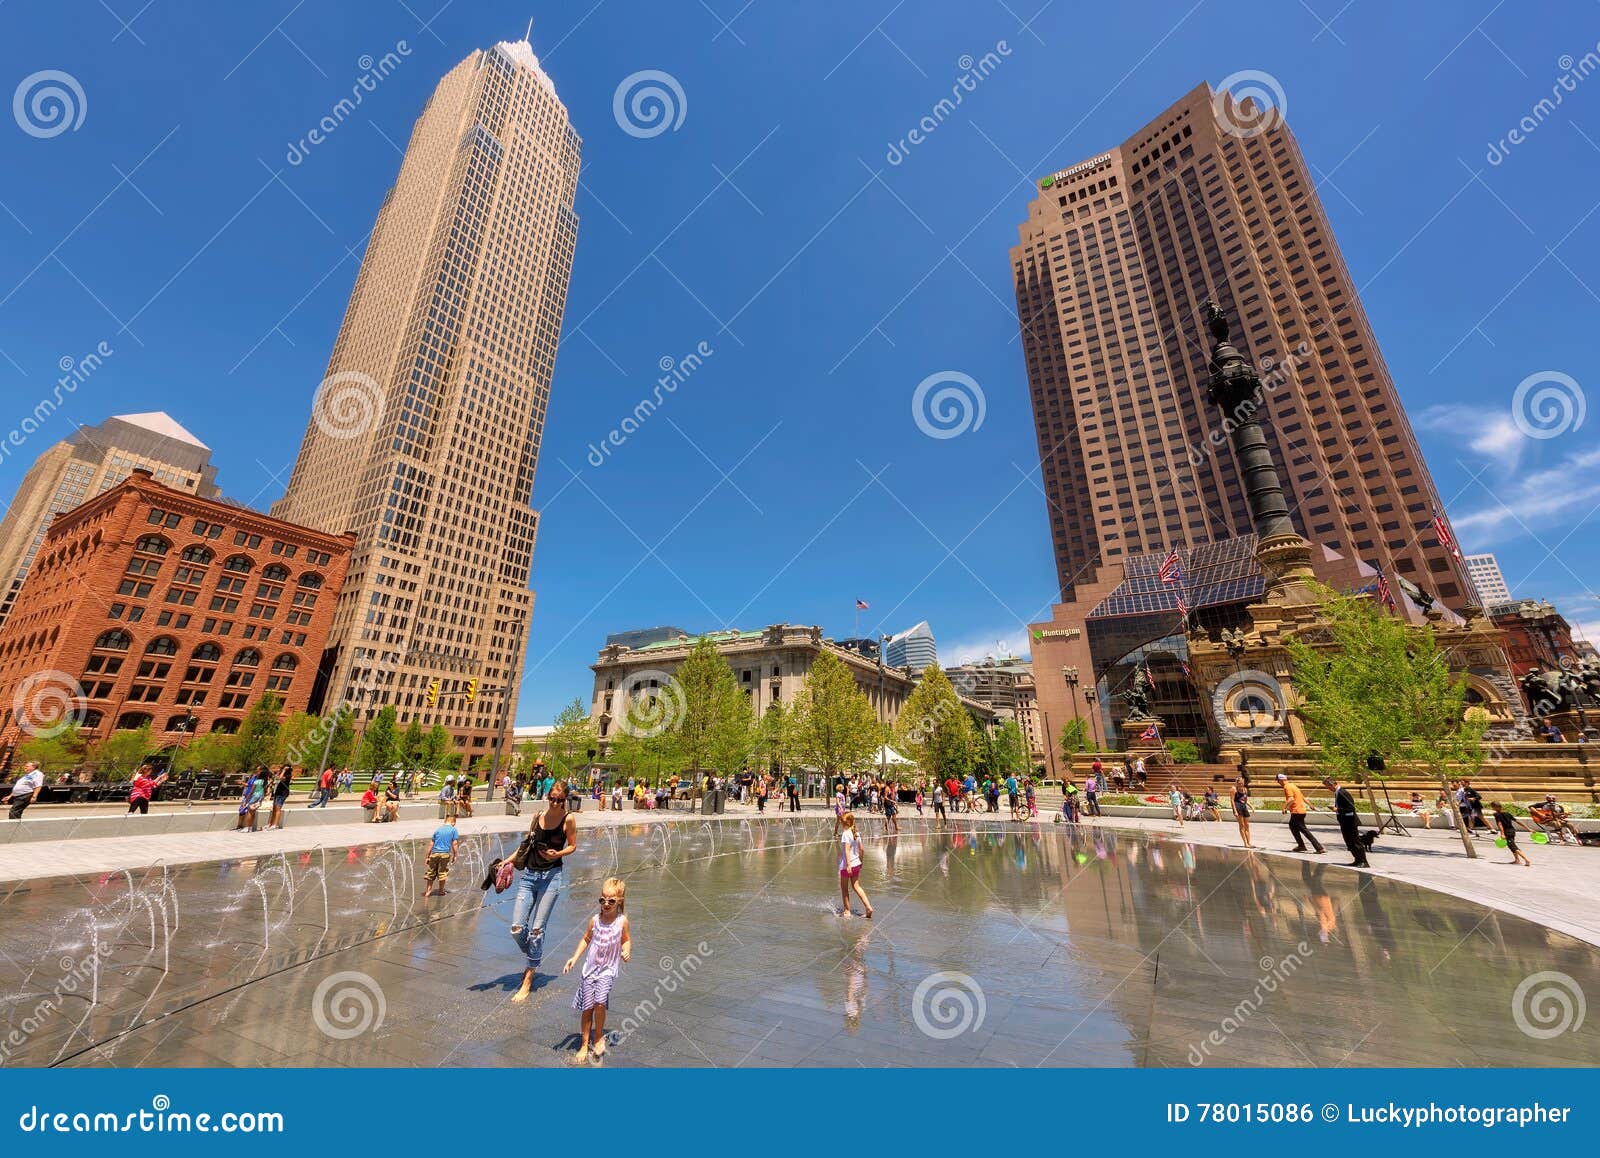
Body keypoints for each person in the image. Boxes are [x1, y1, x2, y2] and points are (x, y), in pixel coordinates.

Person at [511, 780, 579, 1002]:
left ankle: (528, 978)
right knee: (517, 928)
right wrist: (507, 862)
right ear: (547, 797)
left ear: (565, 800)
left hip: (551, 877)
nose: (556, 803)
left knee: (537, 930)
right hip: (529, 876)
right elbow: (525, 845)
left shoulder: (568, 818)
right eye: (552, 798)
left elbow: (572, 845)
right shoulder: (537, 816)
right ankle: (533, 952)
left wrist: (557, 854)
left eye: (560, 800)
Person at [563, 877, 632, 1064]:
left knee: (600, 1002)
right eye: (602, 900)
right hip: (590, 970)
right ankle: (584, 1044)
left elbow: (626, 939)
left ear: (620, 901)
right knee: (587, 1008)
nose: (606, 904)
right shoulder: (595, 920)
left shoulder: (622, 922)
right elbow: (586, 939)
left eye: (611, 901)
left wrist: (626, 950)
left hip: (608, 970)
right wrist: (574, 959)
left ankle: (598, 1036)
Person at [1323, 776, 1368, 868]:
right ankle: (1357, 859)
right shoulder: (1337, 793)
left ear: (1334, 784)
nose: (1328, 789)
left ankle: (1364, 861)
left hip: (1350, 821)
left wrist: (1337, 809)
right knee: (1349, 842)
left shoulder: (1343, 793)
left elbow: (1351, 808)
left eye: (1328, 787)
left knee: (1355, 841)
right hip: (1344, 821)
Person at [837, 811, 872, 918]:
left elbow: (847, 850)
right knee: (856, 886)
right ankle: (868, 907)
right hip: (857, 863)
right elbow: (862, 849)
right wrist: (861, 862)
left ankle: (847, 911)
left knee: (844, 888)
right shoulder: (856, 833)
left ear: (845, 823)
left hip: (847, 865)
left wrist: (848, 865)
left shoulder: (845, 834)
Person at [1277, 773, 1324, 854]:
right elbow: (1303, 798)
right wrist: (1311, 805)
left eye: (1278, 781)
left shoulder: (1287, 787)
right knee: (1292, 826)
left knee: (1304, 830)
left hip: (1297, 812)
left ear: (1281, 780)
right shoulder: (1293, 786)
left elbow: (1291, 799)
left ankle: (1319, 848)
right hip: (1301, 811)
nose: (1278, 783)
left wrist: (1285, 808)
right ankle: (1301, 846)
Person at [423, 815, 459, 896]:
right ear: (453, 823)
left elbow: (431, 844)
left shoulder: (438, 830)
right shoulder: (453, 830)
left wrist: (427, 856)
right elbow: (455, 843)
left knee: (431, 872)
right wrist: (455, 855)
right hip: (444, 854)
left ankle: (428, 891)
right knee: (442, 872)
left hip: (434, 854)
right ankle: (441, 890)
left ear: (445, 822)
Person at [1491, 800, 1532, 867]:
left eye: (1493, 807)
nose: (1492, 808)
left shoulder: (1496, 814)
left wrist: (1502, 833)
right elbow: (1517, 821)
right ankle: (1517, 860)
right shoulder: (1507, 813)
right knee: (1511, 846)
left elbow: (1499, 824)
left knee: (1513, 847)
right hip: (1512, 831)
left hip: (1507, 832)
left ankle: (1526, 860)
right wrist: (1528, 828)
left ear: (1495, 807)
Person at [235, 766, 267, 832]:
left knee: (249, 812)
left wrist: (247, 800)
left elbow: (252, 792)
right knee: (253, 812)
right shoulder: (265, 781)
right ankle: (250, 827)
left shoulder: (257, 781)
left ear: (261, 773)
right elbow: (265, 791)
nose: (256, 772)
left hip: (254, 797)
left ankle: (247, 827)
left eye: (258, 771)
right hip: (259, 797)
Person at [1232, 778, 1253, 848]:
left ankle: (1249, 843)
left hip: (1244, 807)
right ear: (1237, 783)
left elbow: (1245, 800)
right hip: (1238, 807)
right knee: (1242, 825)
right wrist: (1235, 811)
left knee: (1247, 825)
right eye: (1240, 783)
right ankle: (1245, 843)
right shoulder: (1233, 789)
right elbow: (1232, 801)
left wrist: (1251, 807)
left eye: (1242, 783)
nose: (1241, 784)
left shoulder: (1245, 789)